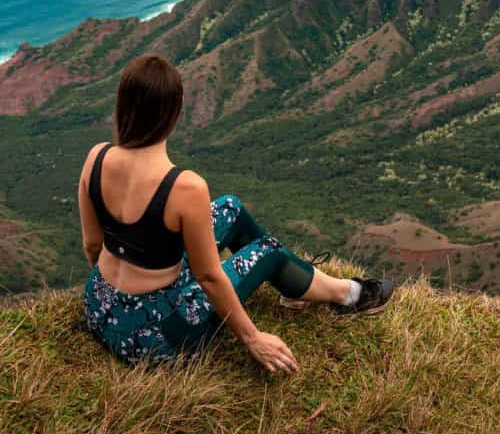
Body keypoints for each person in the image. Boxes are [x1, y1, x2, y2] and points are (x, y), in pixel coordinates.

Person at [79, 54, 392, 372]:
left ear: (122, 102)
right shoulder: (185, 187)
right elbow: (209, 278)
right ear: (176, 109)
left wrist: (126, 286)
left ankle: (295, 286)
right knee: (267, 252)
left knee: (230, 206)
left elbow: (93, 246)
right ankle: (348, 295)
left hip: (97, 307)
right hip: (153, 337)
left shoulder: (96, 157)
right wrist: (253, 338)